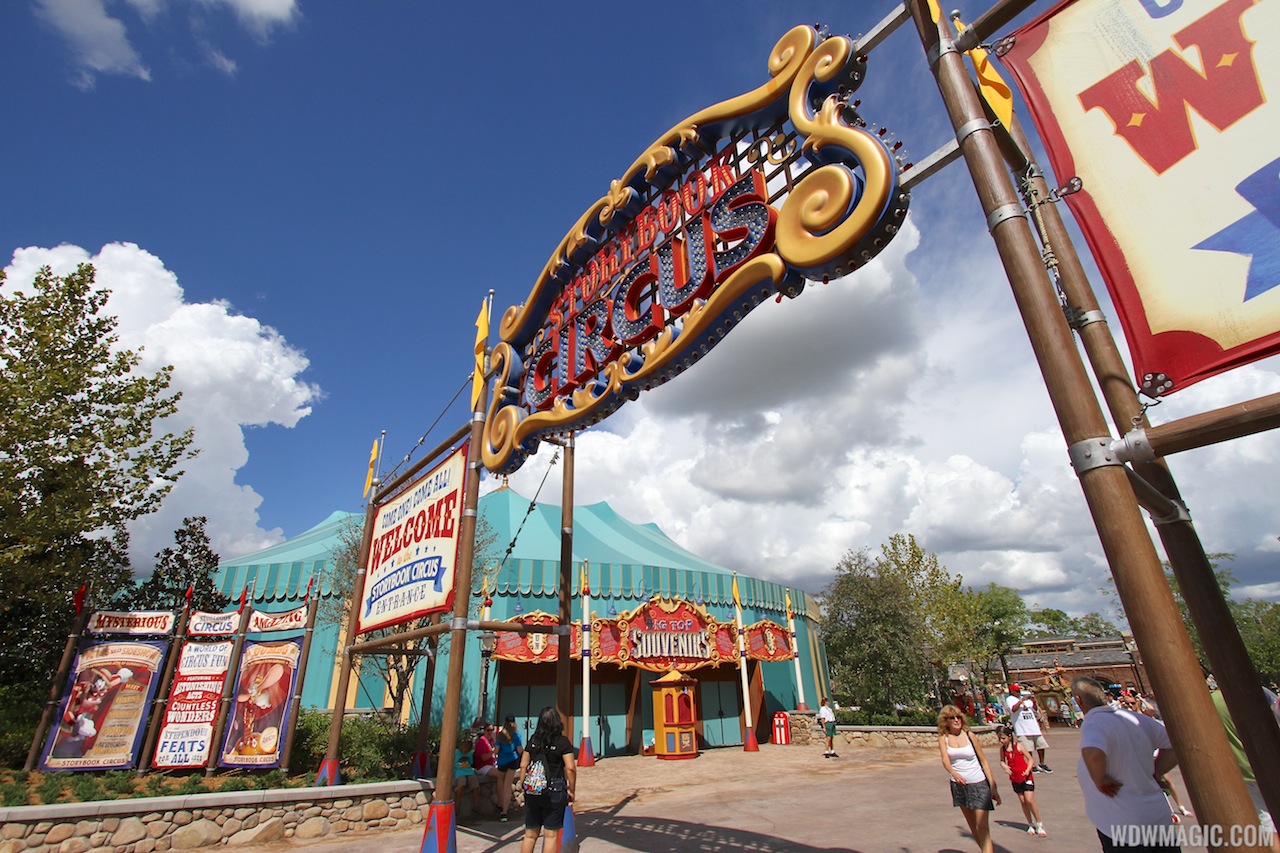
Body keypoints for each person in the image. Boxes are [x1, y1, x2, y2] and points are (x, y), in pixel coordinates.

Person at [1072, 676, 1179, 852]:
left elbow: (1093, 754)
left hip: (1121, 821)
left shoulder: (1094, 722)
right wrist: (1156, 771)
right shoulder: (1135, 718)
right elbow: (1174, 745)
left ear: (1078, 700)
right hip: (1156, 815)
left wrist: (1100, 780)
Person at [937, 705, 1001, 853]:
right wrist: (953, 772)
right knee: (972, 824)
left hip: (978, 782)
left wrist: (992, 785)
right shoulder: (944, 738)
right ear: (945, 721)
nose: (956, 720)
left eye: (958, 717)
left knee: (982, 825)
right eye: (952, 718)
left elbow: (983, 761)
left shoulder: (969, 735)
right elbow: (945, 760)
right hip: (959, 785)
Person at [518, 706, 576, 853]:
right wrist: (572, 788)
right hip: (555, 789)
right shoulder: (562, 742)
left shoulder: (533, 741)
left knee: (530, 835)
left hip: (533, 790)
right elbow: (570, 768)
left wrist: (525, 783)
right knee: (550, 835)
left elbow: (523, 764)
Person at [997, 724, 1045, 836]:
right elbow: (1002, 761)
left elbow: (1030, 759)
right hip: (1015, 778)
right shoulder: (1003, 750)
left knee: (1029, 800)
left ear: (1009, 737)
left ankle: (1039, 824)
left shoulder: (1019, 747)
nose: (1002, 741)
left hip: (1026, 776)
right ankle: (1030, 824)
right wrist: (1005, 767)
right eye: (1000, 738)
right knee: (1023, 802)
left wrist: (1028, 770)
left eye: (1003, 738)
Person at [1006, 683, 1052, 772]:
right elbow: (1013, 709)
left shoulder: (1026, 699)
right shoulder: (1010, 699)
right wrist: (1020, 701)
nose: (1019, 692)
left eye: (1019, 690)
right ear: (1012, 691)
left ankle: (1042, 764)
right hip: (1022, 729)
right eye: (1016, 690)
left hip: (1033, 726)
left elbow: (1034, 709)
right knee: (1028, 748)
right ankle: (1032, 765)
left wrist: (1034, 701)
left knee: (1041, 746)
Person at [496, 713, 525, 821]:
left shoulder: (500, 735)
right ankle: (504, 812)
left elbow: (496, 750)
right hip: (512, 760)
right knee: (508, 786)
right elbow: (519, 750)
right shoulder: (517, 735)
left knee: (500, 781)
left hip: (502, 761)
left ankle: (500, 803)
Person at [453, 735, 482, 815]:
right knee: (462, 783)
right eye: (465, 750)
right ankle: (457, 804)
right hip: (459, 771)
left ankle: (476, 806)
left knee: (475, 784)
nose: (465, 752)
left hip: (468, 771)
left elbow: (470, 763)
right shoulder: (456, 752)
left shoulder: (469, 753)